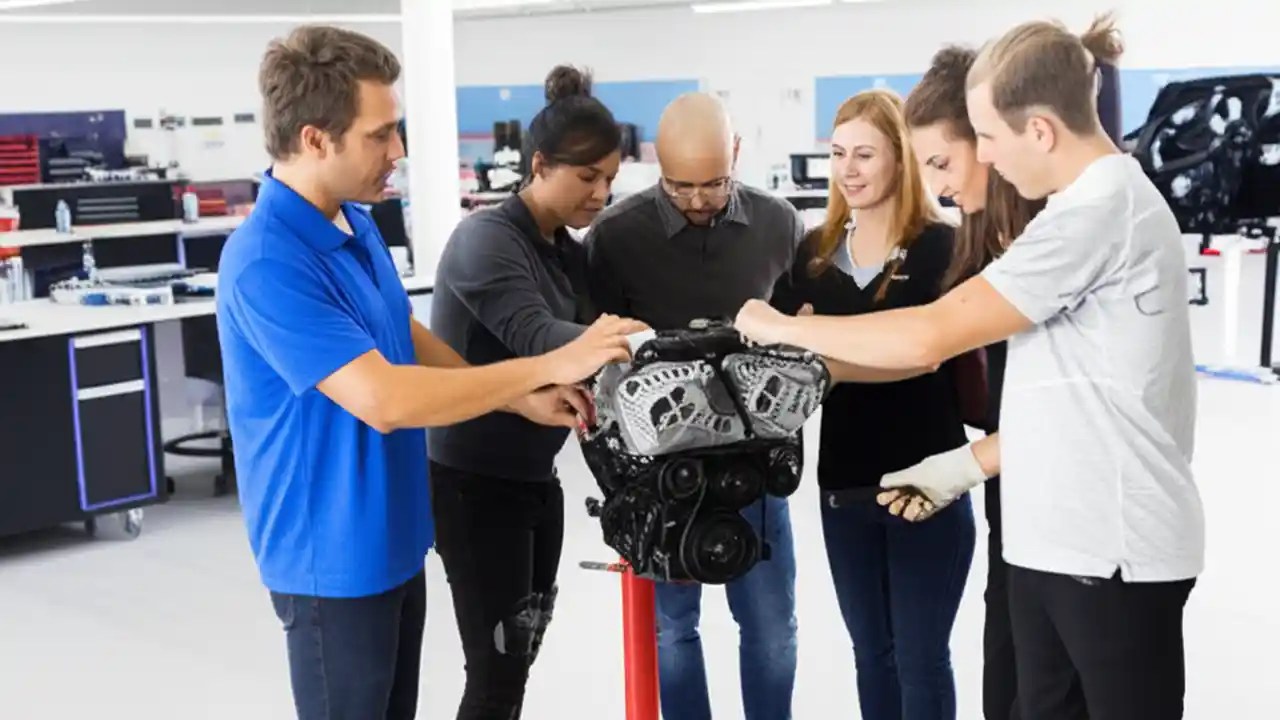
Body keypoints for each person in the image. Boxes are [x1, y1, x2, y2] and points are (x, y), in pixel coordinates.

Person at [735, 14, 1204, 720]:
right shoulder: (1066, 217)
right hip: (1056, 539)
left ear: (1038, 131)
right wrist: (966, 463)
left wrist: (776, 328)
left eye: (984, 138)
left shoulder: (1101, 213)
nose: (984, 158)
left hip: (1113, 550)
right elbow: (1074, 402)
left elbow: (929, 337)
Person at [216, 29, 635, 720]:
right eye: (381, 135)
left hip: (394, 536)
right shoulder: (268, 260)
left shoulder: (352, 222)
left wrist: (522, 399)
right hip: (332, 562)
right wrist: (548, 363)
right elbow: (381, 396)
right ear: (317, 139)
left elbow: (402, 333)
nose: (400, 151)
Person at [428, 65, 646, 720]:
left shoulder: (564, 249)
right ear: (540, 164)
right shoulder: (485, 239)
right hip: (473, 485)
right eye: (587, 178)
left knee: (516, 665)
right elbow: (539, 337)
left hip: (534, 479)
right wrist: (623, 341)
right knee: (495, 673)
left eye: (610, 178)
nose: (602, 194)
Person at [584, 91, 804, 720]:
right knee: (670, 631)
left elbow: (803, 334)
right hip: (660, 477)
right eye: (680, 186)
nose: (699, 201)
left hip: (756, 466)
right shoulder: (616, 237)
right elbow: (596, 356)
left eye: (713, 183)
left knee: (771, 628)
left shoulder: (779, 224)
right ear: (657, 164)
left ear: (736, 153)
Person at [768, 88, 973, 720]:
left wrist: (824, 359)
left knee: (920, 657)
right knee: (872, 656)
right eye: (837, 154)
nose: (847, 170)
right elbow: (778, 361)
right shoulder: (813, 256)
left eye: (865, 154)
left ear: (900, 160)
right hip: (845, 487)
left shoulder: (942, 248)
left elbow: (924, 356)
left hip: (927, 485)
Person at [902, 47, 1047, 720]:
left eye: (942, 162)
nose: (939, 186)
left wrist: (780, 326)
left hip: (1069, 518)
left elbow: (929, 336)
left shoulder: (1057, 238)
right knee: (1008, 679)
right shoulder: (991, 240)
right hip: (1011, 506)